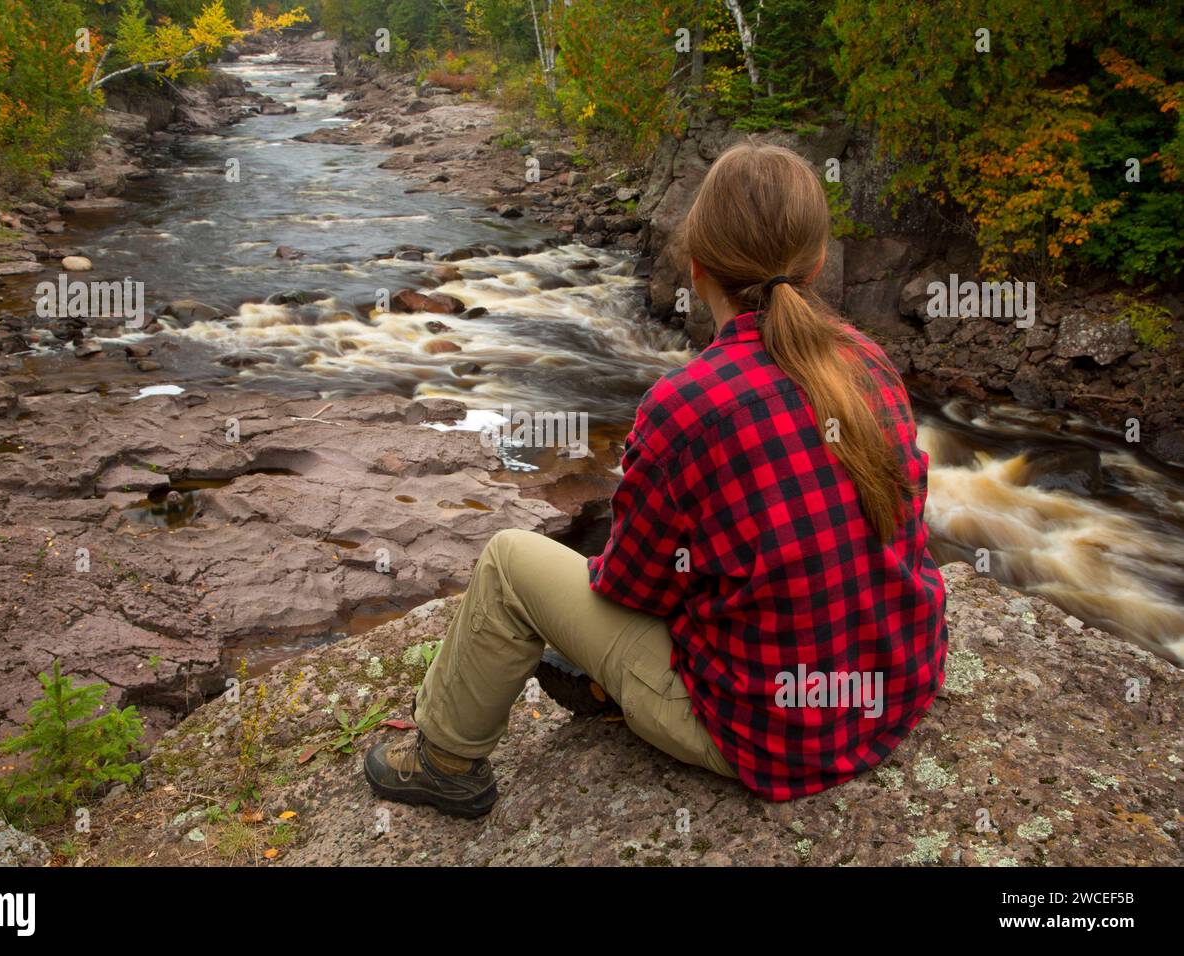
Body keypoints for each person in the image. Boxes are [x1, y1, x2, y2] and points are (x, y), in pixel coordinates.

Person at [363, 143, 947, 817]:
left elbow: (632, 590)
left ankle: (443, 761)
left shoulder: (687, 405)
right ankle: (600, 693)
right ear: (817, 263)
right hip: (893, 690)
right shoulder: (869, 362)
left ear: (696, 267)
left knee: (508, 561)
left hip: (770, 738)